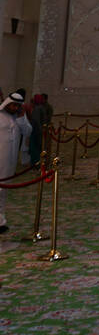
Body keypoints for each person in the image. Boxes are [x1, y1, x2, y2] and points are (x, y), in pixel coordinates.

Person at [0, 91, 25, 234]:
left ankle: (1, 221)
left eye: (17, 106)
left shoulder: (19, 117)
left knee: (4, 192)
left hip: (10, 162)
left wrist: (22, 119)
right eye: (13, 105)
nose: (15, 108)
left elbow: (28, 131)